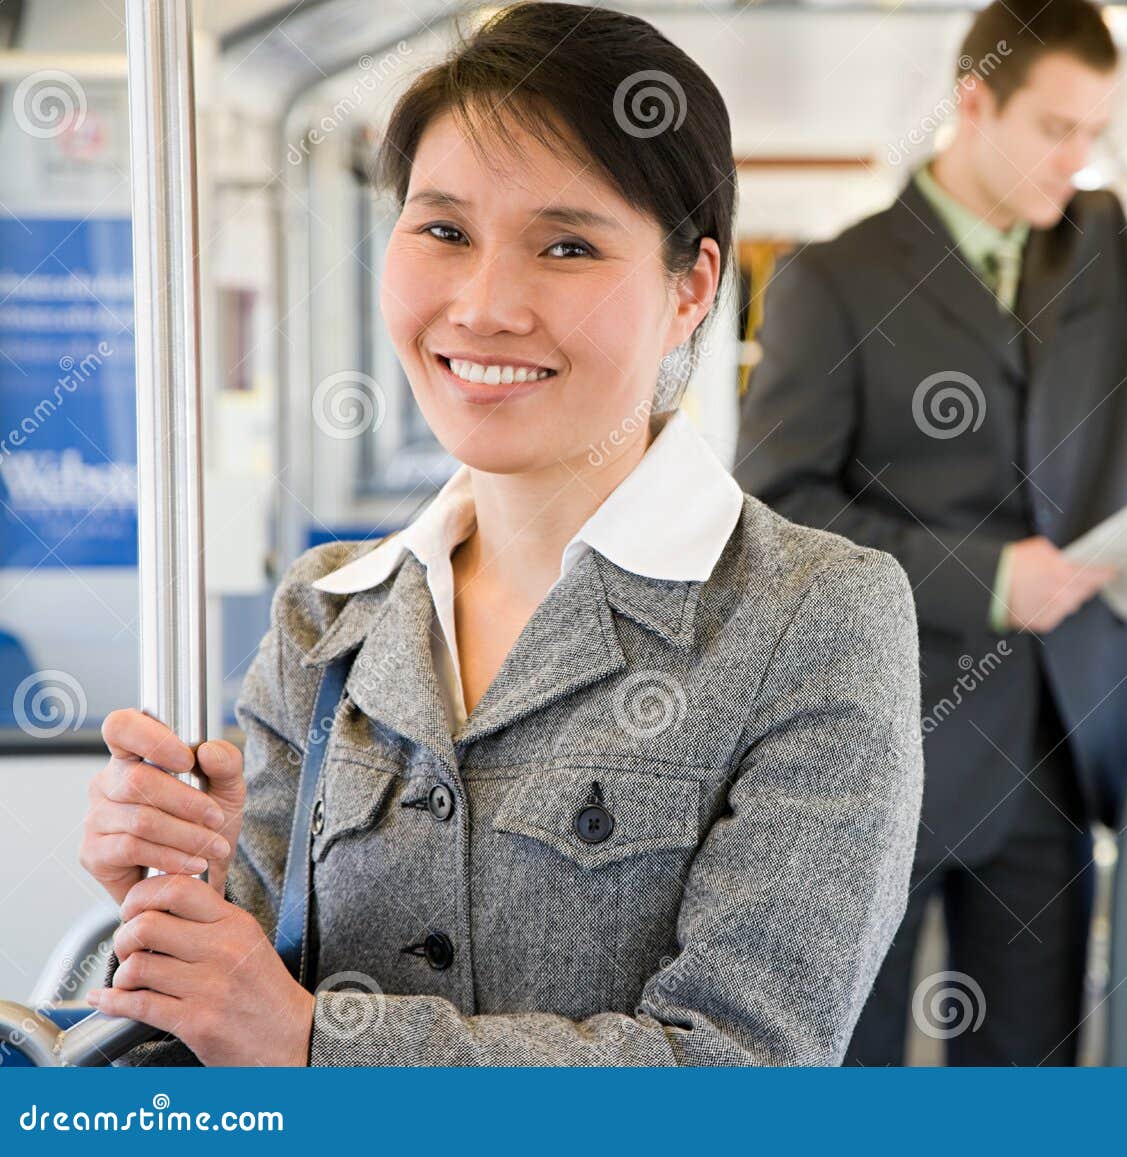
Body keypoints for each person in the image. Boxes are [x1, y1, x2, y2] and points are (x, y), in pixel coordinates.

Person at [76, 1, 923, 1067]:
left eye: (566, 245)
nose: (483, 306)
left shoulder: (812, 616)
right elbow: (223, 1025)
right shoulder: (327, 617)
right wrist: (176, 900)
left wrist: (314, 1040)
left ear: (690, 288)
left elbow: (741, 1067)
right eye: (443, 231)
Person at [735, 0, 1127, 1066]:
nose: (1078, 158)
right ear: (974, 103)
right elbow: (782, 506)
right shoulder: (833, 281)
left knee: (1028, 1066)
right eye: (1055, 129)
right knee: (846, 1055)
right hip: (880, 735)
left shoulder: (1103, 249)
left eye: (1092, 132)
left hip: (1055, 740)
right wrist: (987, 577)